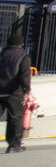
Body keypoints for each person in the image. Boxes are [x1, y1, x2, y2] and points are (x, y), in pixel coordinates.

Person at [1, 22, 31, 154]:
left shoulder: (1, 55)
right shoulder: (23, 56)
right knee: (15, 117)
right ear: (21, 44)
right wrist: (26, 91)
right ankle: (14, 144)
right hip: (14, 92)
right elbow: (24, 75)